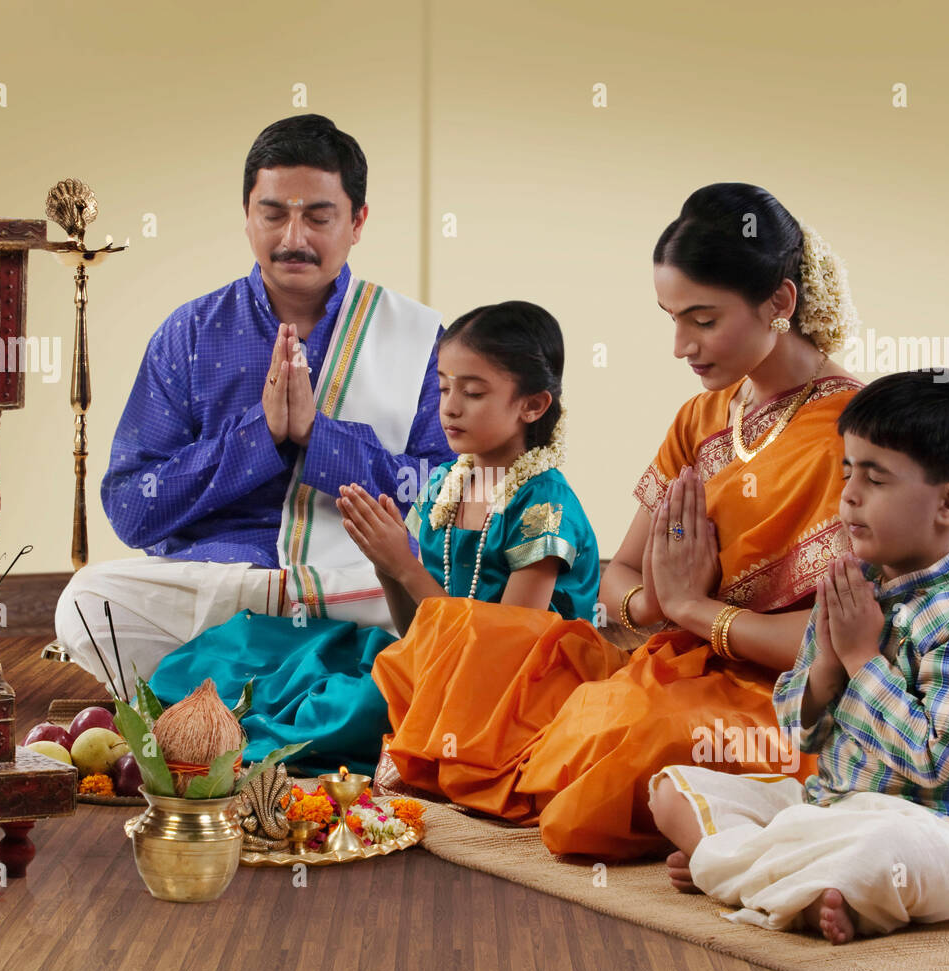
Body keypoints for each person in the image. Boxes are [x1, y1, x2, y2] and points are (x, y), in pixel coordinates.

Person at [371, 183, 866, 859]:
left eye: (702, 320)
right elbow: (621, 577)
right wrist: (654, 603)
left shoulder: (859, 434)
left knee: (621, 735)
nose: (680, 345)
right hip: (670, 660)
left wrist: (694, 609)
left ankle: (695, 808)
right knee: (486, 639)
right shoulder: (702, 417)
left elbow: (841, 640)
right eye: (671, 318)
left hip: (785, 699)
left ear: (780, 303)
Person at [53, 114, 455, 697]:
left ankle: (222, 692)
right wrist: (258, 438)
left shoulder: (415, 337)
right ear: (247, 215)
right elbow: (130, 506)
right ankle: (323, 683)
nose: (293, 238)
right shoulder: (190, 333)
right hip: (222, 586)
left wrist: (322, 439)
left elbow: (447, 497)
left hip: (358, 587)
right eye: (273, 215)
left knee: (458, 598)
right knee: (87, 603)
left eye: (318, 217)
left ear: (357, 221)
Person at [648, 370, 949, 943]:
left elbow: (933, 763)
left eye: (875, 479)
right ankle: (782, 877)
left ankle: (738, 867)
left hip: (939, 832)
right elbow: (802, 737)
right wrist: (827, 667)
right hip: (829, 807)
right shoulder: (854, 585)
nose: (848, 495)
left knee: (881, 851)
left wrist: (860, 660)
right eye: (847, 471)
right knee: (674, 789)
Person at [148, 301, 601, 776]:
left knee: (358, 702)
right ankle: (199, 728)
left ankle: (227, 753)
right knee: (274, 647)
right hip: (435, 666)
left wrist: (404, 566)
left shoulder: (545, 509)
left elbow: (504, 656)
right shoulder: (448, 482)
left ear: (532, 405)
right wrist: (387, 569)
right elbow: (413, 631)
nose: (450, 406)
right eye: (444, 387)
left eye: (473, 392)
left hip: (510, 695)